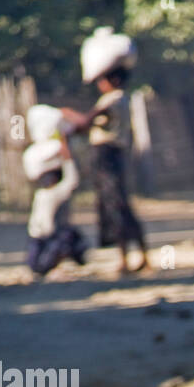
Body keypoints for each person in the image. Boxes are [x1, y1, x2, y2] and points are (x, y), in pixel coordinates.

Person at [63, 65, 149, 276]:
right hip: (111, 155)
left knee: (115, 204)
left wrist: (65, 114)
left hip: (107, 155)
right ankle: (137, 257)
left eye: (103, 79)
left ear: (114, 80)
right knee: (119, 205)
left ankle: (128, 260)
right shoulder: (122, 99)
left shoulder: (113, 99)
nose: (100, 84)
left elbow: (85, 121)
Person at [22, 137, 88, 278]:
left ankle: (63, 258)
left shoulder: (58, 192)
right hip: (38, 237)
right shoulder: (41, 194)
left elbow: (72, 179)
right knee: (34, 266)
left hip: (54, 236)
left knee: (59, 246)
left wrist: (67, 159)